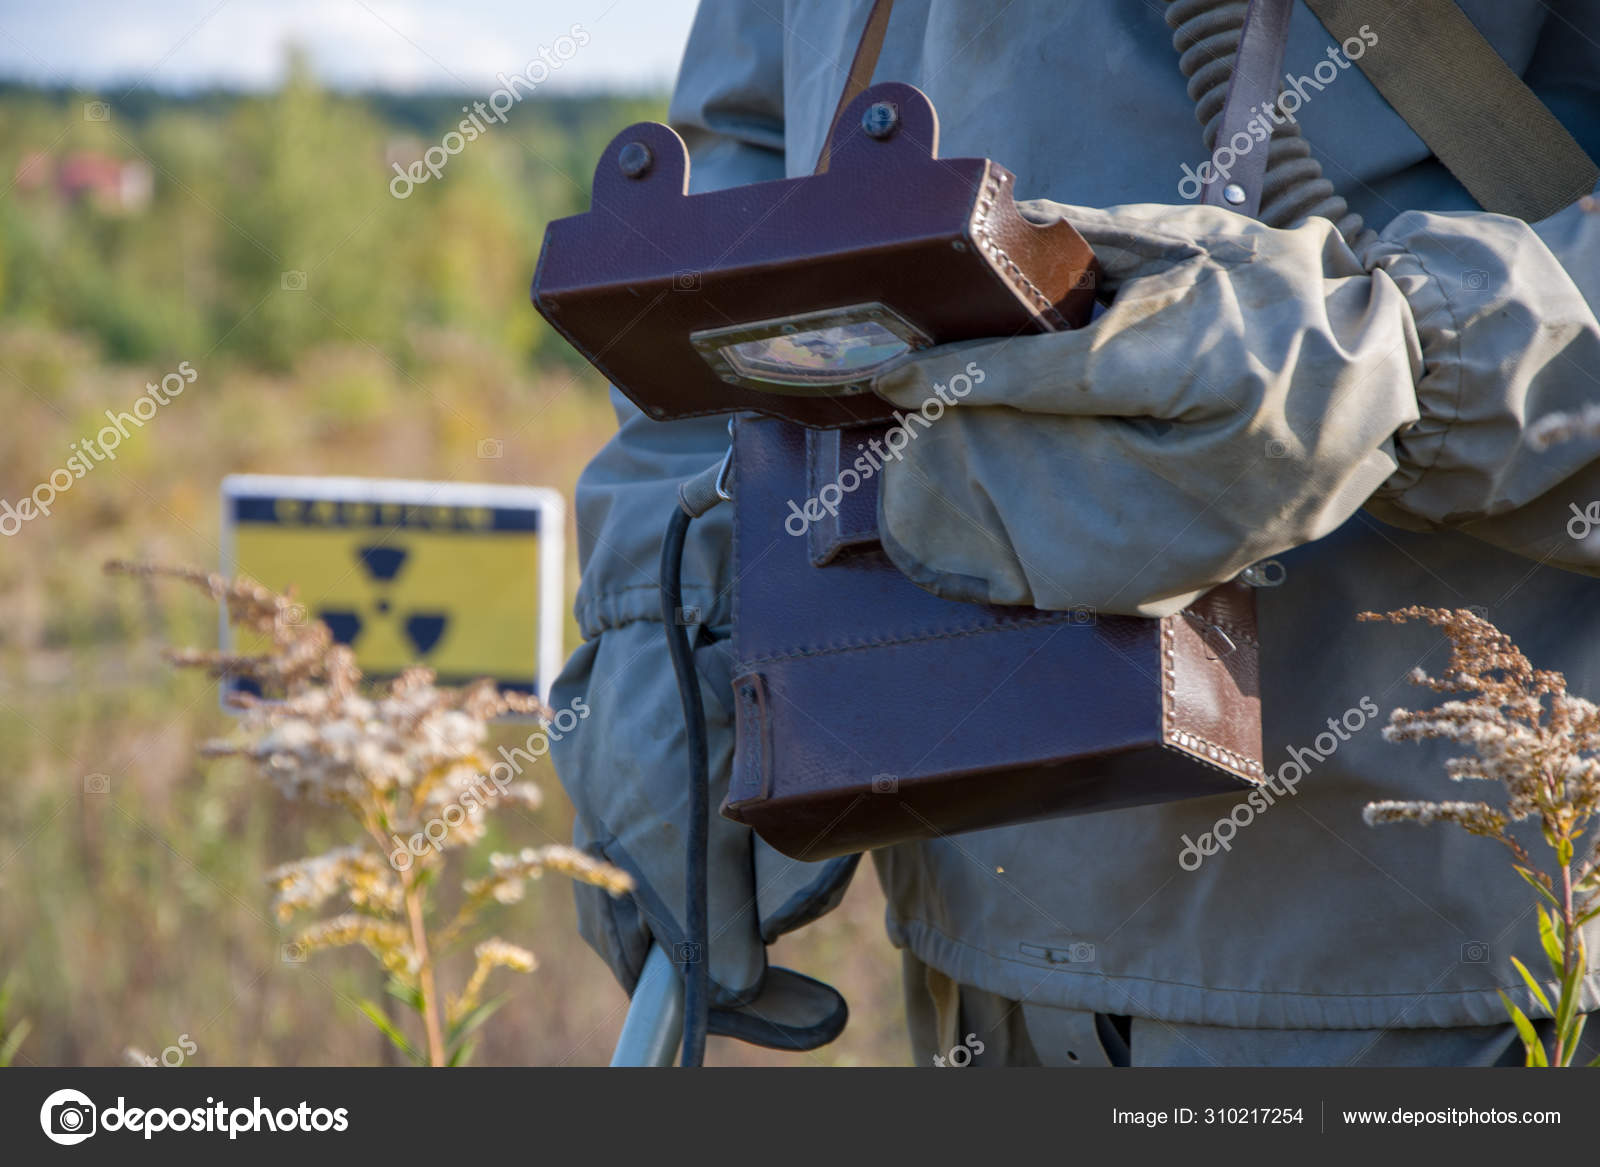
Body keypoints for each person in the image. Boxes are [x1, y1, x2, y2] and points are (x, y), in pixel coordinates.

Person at [549, 0, 1600, 1065]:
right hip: (982, 945)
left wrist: (1409, 356)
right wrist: (663, 614)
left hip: (1469, 956)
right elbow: (744, 174)